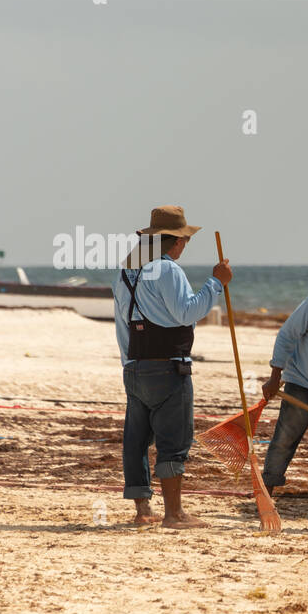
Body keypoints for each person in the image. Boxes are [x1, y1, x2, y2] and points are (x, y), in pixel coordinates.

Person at [113, 206, 231, 528]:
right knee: (173, 439)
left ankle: (142, 511)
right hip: (168, 368)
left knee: (136, 439)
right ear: (175, 242)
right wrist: (216, 284)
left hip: (135, 366)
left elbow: (123, 323)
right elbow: (186, 313)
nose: (185, 246)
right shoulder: (167, 270)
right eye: (184, 241)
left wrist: (129, 363)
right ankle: (174, 514)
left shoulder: (127, 272)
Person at [259, 293, 308, 495]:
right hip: (301, 382)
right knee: (285, 438)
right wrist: (275, 376)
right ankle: (266, 491)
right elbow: (287, 335)